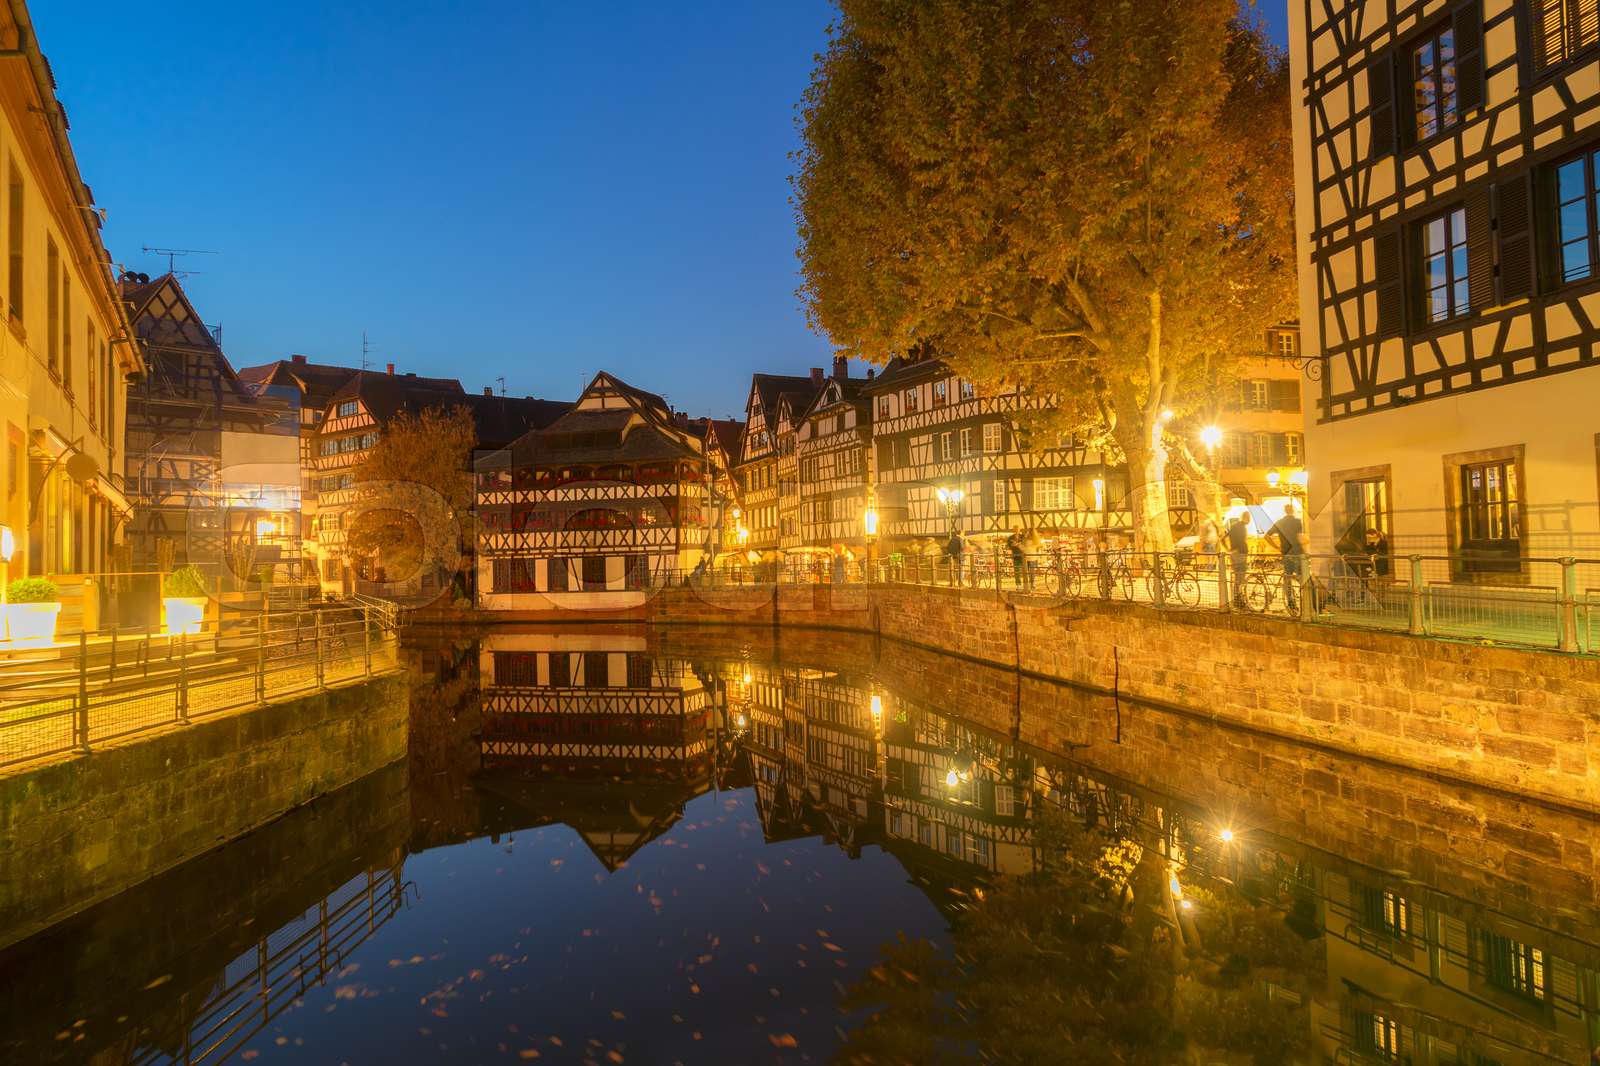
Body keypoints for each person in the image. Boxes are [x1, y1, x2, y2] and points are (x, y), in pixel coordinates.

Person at [1266, 501, 1306, 612]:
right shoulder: (1298, 522)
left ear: (1285, 511)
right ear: (1293, 510)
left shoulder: (1279, 522)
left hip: (1286, 553)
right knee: (1302, 578)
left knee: (1288, 578)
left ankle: (1291, 603)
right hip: (1297, 553)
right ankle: (1306, 601)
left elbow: (1266, 535)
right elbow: (1300, 538)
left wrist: (1277, 547)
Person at [1225, 512, 1251, 608]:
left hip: (1237, 553)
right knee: (1240, 578)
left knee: (1238, 578)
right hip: (1240, 554)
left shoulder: (1235, 526)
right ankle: (1238, 600)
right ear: (1244, 517)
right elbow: (1241, 541)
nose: (1249, 519)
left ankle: (1237, 599)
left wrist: (1229, 550)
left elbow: (1223, 538)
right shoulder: (1240, 527)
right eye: (1248, 517)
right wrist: (1232, 550)